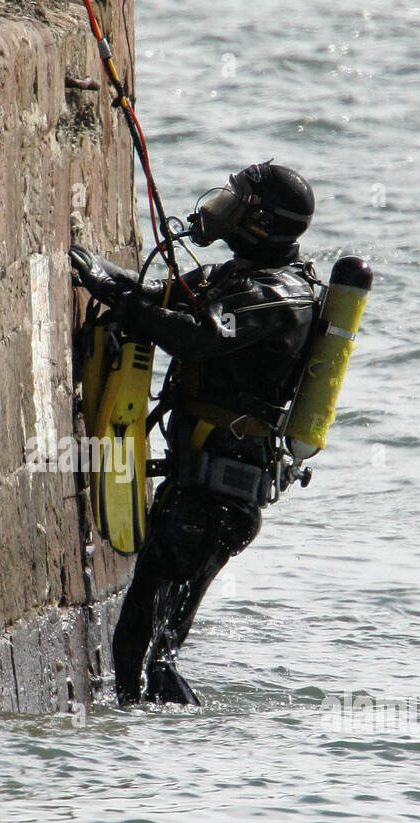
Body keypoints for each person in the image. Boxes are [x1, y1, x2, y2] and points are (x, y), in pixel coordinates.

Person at [70, 161, 320, 705]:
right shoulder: (236, 277)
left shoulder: (278, 296)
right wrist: (100, 273)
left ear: (260, 223)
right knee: (148, 648)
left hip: (216, 502)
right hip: (199, 492)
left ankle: (177, 742)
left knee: (145, 651)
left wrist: (117, 297)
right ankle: (169, 738)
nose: (220, 208)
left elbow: (194, 336)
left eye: (236, 202)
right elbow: (164, 299)